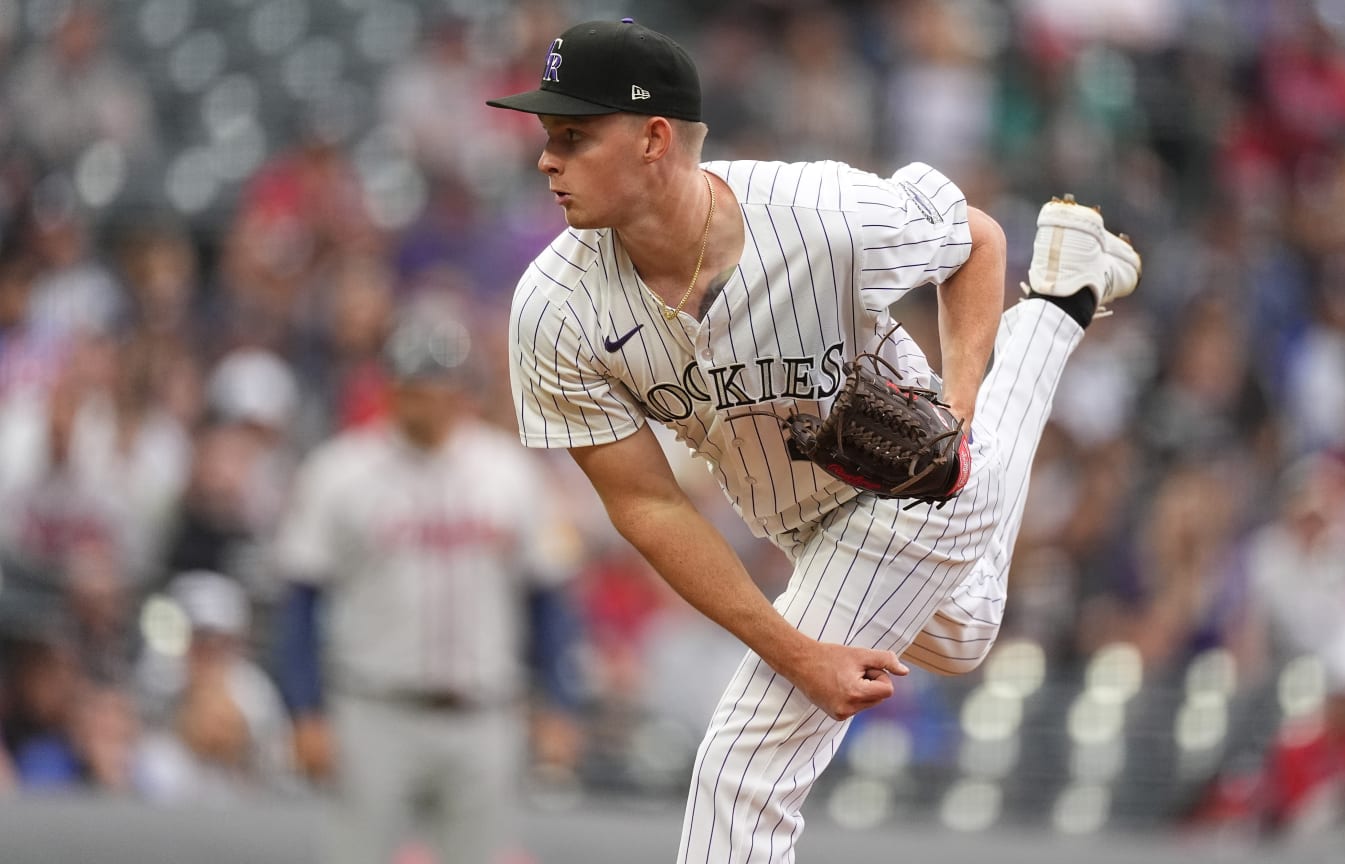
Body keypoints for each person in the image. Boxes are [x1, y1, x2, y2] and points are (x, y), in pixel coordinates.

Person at [489, 18, 1141, 862]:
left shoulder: (819, 215)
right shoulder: (554, 310)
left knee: (742, 767)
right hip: (804, 526)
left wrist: (959, 406)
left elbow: (974, 241)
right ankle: (1058, 303)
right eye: (548, 135)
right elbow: (648, 504)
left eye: (574, 135)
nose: (547, 157)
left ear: (655, 139)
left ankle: (1012, 382)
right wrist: (795, 650)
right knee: (966, 630)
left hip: (910, 487)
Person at [274, 316, 554, 864]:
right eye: (415, 387)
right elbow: (302, 604)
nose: (427, 400)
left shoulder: (509, 473)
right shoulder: (340, 472)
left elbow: (547, 598)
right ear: (392, 388)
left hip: (484, 710)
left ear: (462, 393)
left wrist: (556, 704)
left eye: (440, 386)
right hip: (374, 709)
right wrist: (305, 712)